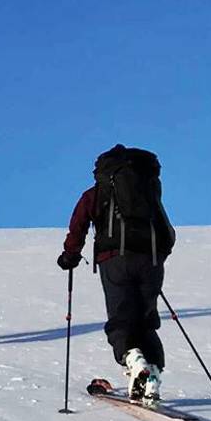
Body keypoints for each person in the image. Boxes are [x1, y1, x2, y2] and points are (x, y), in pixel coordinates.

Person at [59, 145, 177, 401]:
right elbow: (165, 228)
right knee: (146, 320)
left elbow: (78, 224)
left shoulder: (97, 192)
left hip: (114, 260)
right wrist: (158, 257)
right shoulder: (149, 191)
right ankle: (153, 375)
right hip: (152, 259)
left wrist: (70, 256)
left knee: (121, 318)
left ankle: (136, 364)